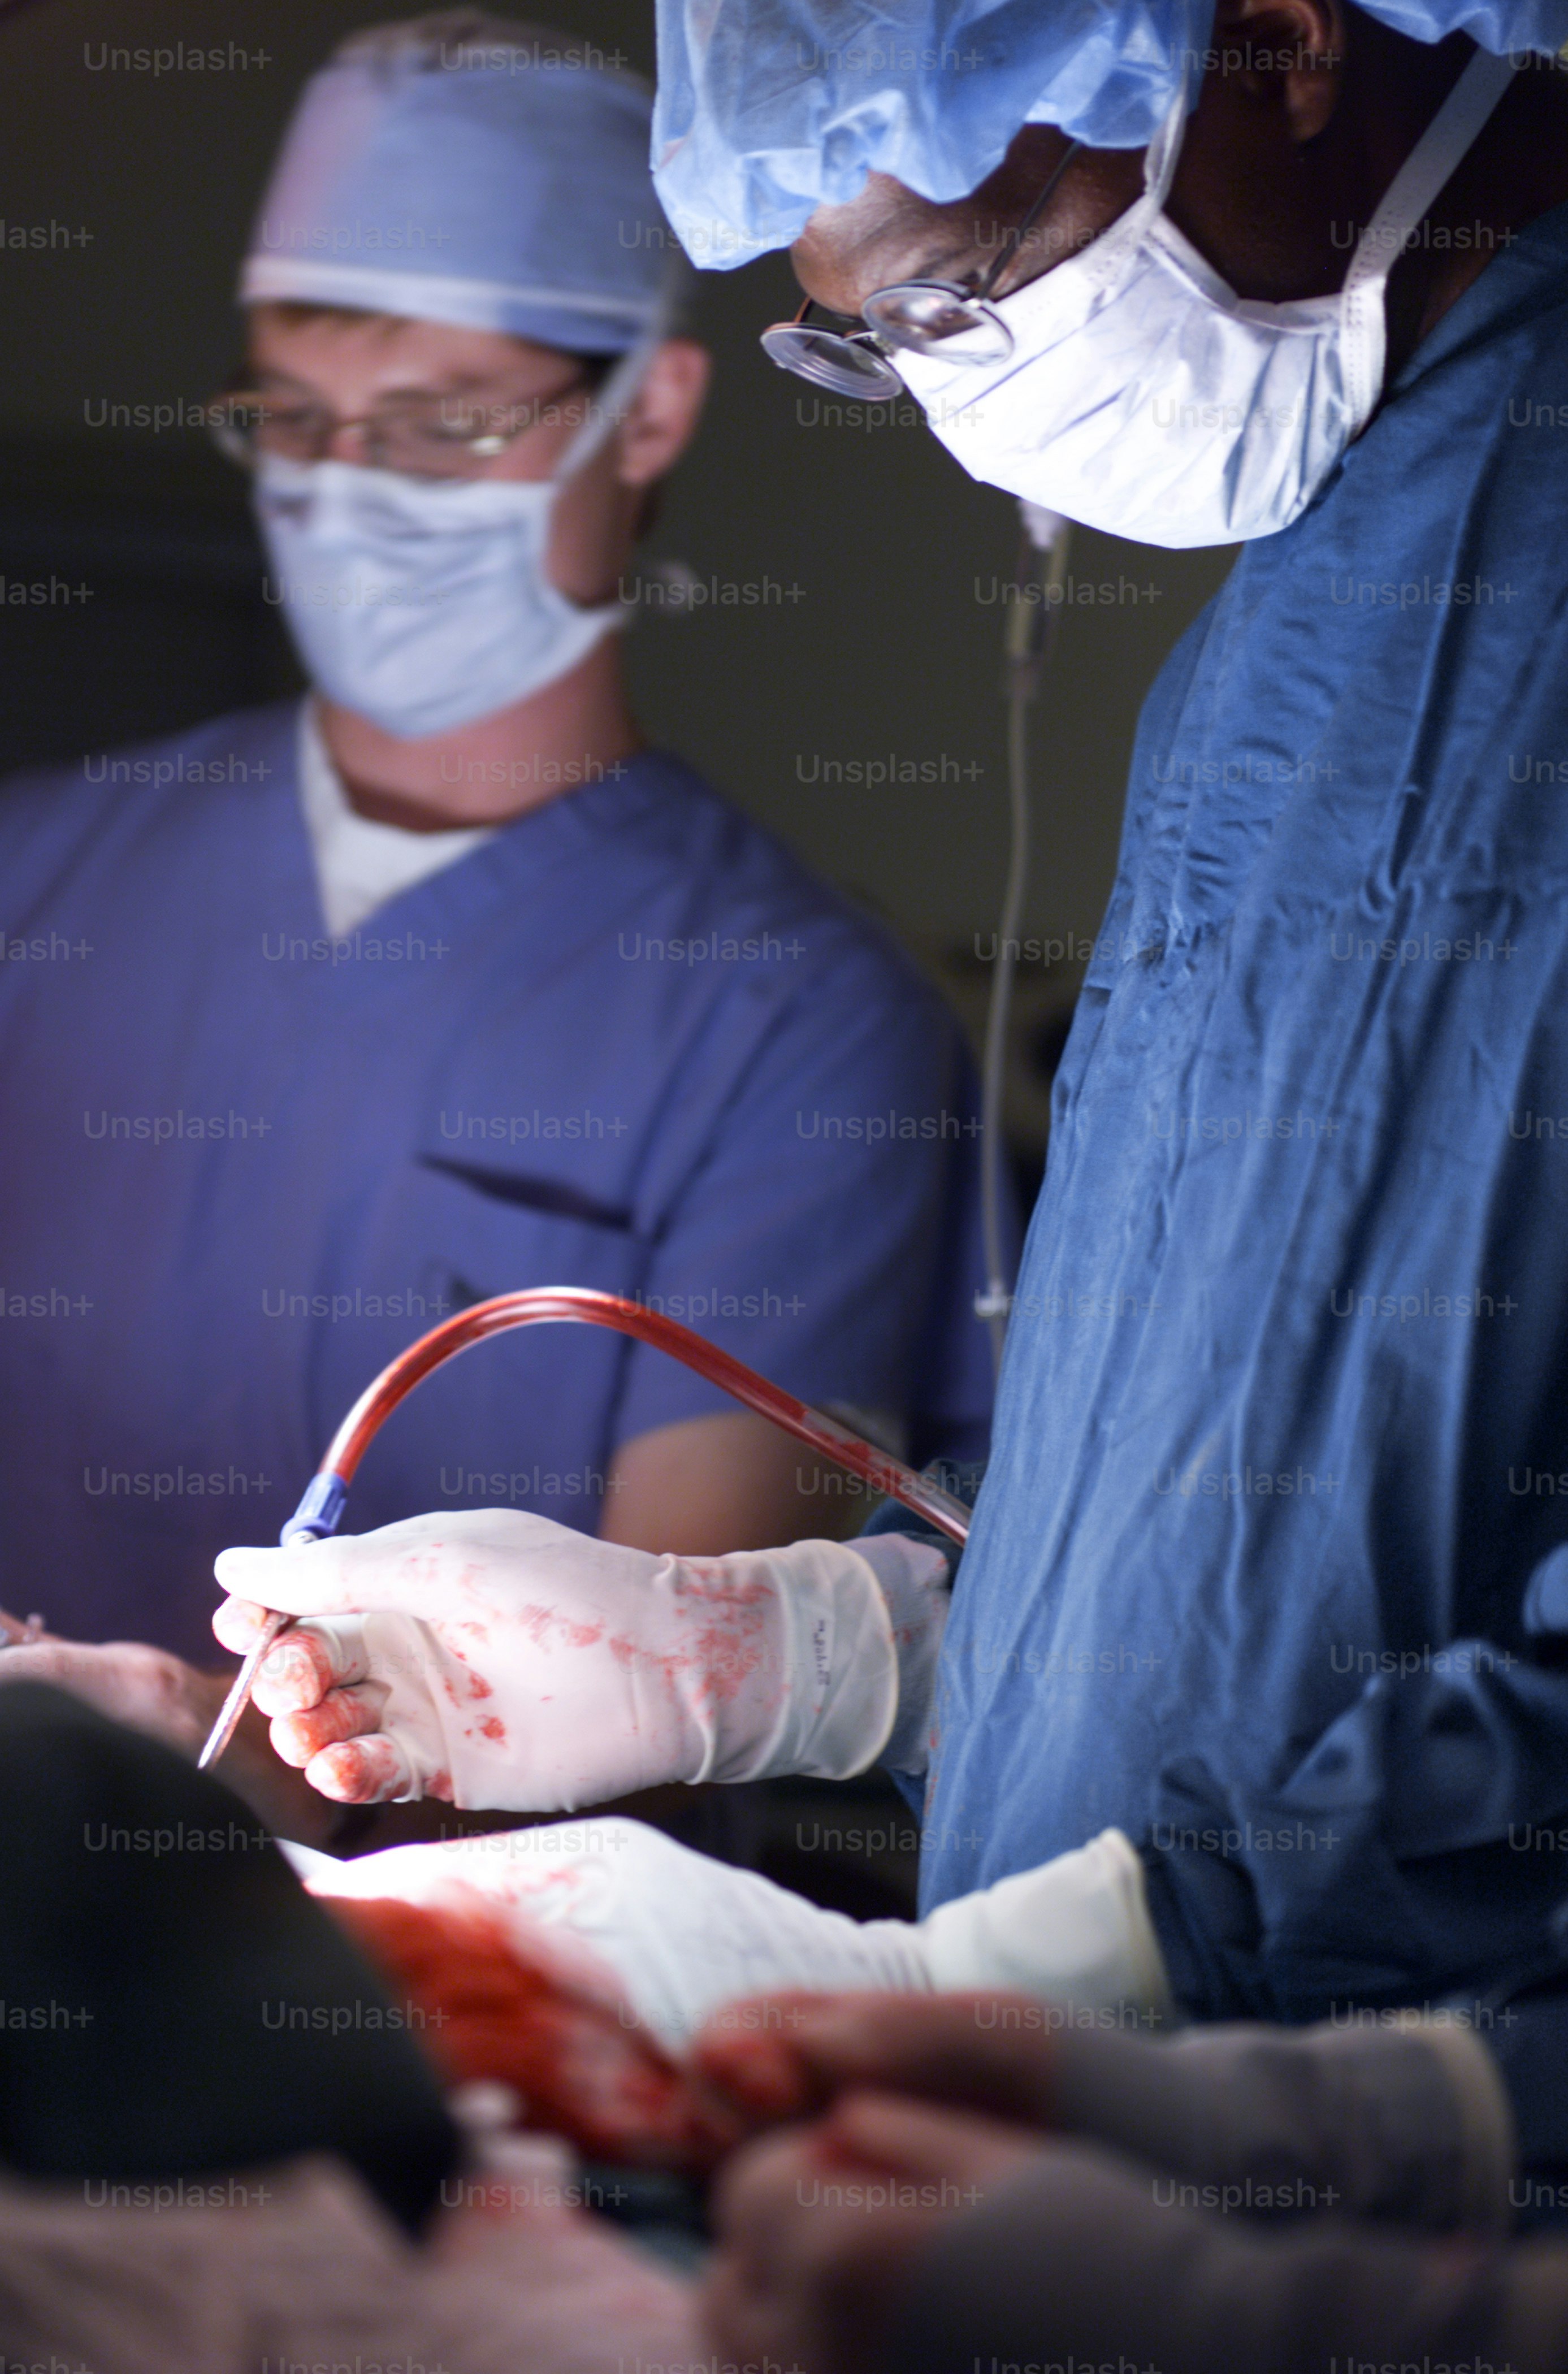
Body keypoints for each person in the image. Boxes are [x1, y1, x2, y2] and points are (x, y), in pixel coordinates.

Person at [0, 12, 997, 1708]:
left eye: (445, 422)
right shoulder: (40, 882)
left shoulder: (794, 1030)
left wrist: (199, 1776)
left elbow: (683, 1727)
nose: (350, 489)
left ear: (650, 410)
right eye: (298, 419)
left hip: (427, 1970)